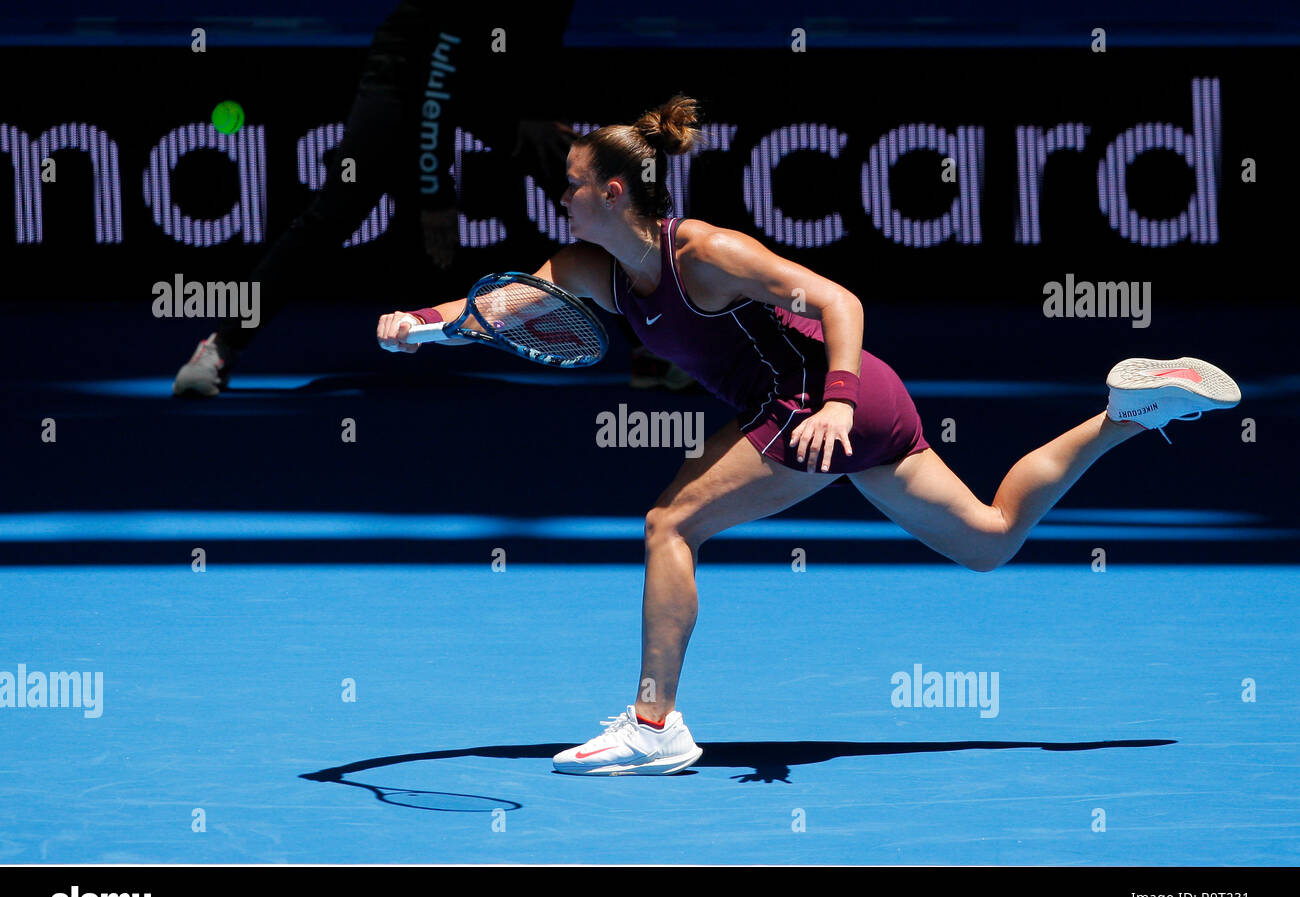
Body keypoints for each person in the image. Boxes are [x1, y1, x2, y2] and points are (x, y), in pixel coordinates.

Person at [375, 95, 1242, 776]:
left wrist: (833, 399)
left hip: (826, 400)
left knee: (669, 525)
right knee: (990, 539)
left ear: (611, 192)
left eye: (567, 183)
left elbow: (840, 302)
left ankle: (654, 725)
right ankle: (1126, 413)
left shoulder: (705, 253)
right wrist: (416, 324)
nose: (556, 195)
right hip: (841, 406)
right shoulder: (586, 270)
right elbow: (488, 311)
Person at [172, 1, 577, 396]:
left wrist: (543, 113)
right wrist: (434, 192)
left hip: (487, 72)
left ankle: (641, 337)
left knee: (583, 182)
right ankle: (222, 345)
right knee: (335, 212)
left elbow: (539, 45)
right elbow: (434, 88)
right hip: (407, 73)